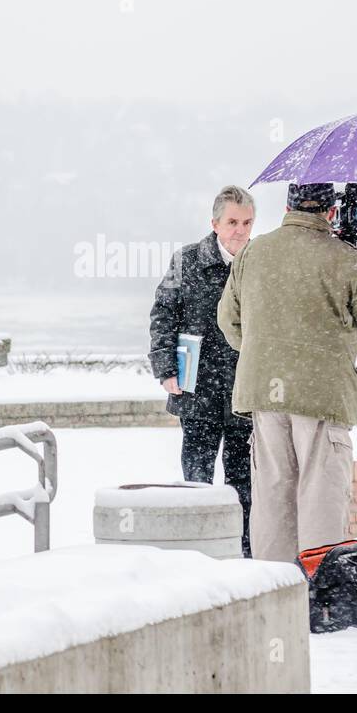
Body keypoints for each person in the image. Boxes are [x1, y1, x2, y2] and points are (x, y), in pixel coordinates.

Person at [218, 182, 357, 563]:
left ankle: (275, 590)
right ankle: (320, 588)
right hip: (321, 394)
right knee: (319, 493)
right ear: (332, 213)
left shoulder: (252, 253)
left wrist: (271, 352)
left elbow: (229, 323)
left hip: (263, 394)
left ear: (288, 207)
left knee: (273, 496)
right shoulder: (346, 259)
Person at [149, 185, 257, 557]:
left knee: (244, 479)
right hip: (198, 388)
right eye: (232, 222)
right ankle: (199, 550)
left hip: (246, 390)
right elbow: (163, 315)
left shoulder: (259, 261)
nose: (240, 230)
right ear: (214, 223)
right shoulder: (188, 260)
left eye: (246, 222)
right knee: (197, 476)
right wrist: (165, 369)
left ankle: (243, 548)